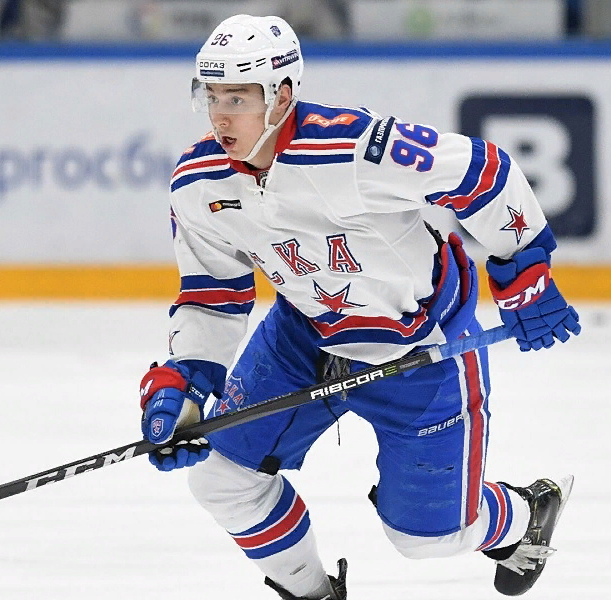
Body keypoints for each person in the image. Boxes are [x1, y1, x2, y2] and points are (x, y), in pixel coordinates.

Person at [136, 14, 580, 600]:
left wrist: (524, 270)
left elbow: (484, 171)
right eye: (212, 97)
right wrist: (188, 381)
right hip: (304, 338)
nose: (220, 116)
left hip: (423, 346)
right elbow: (212, 294)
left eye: (237, 99)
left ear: (281, 96)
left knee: (426, 540)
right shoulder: (200, 183)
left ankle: (525, 514)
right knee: (222, 480)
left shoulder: (354, 149)